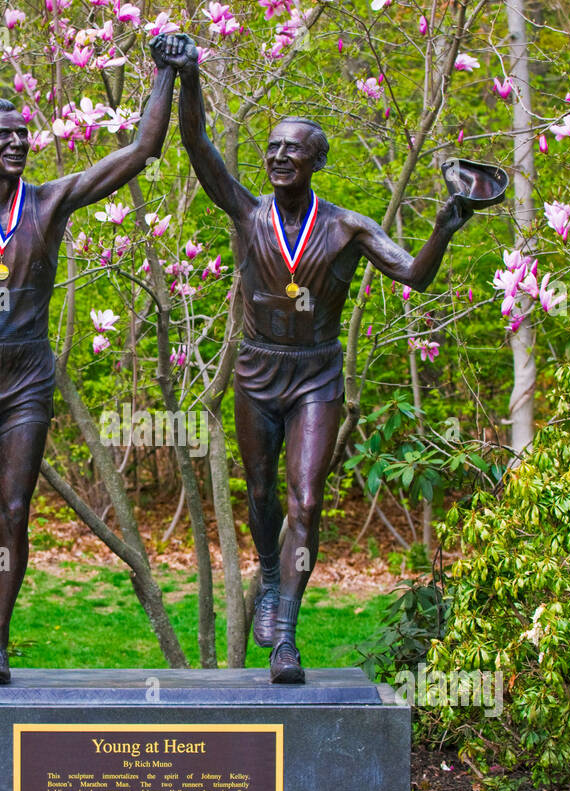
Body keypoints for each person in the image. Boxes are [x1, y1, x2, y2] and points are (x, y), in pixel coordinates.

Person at [169, 47, 473, 683]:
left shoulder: (347, 229)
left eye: (294, 149)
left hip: (315, 374)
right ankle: (271, 573)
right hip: (257, 370)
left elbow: (414, 274)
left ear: (317, 161)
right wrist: (191, 74)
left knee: (306, 500)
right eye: (273, 147)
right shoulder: (248, 212)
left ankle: (287, 634)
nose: (280, 156)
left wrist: (445, 224)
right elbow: (196, 143)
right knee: (260, 493)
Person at [0, 34, 196, 684]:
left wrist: (166, 75)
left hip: (27, 380)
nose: (16, 143)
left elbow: (141, 150)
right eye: (3, 136)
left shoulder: (49, 202)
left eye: (22, 134)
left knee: (14, 510)